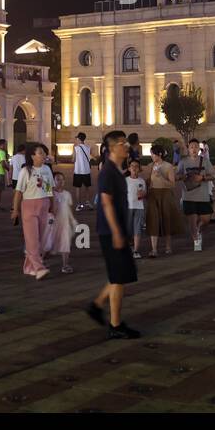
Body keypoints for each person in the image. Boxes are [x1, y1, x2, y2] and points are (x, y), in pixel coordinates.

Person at [85, 130, 140, 340]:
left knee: (120, 275)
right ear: (110, 148)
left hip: (116, 231)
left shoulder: (117, 170)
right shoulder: (108, 171)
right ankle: (115, 325)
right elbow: (106, 203)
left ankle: (96, 306)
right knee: (118, 278)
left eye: (126, 143)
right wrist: (117, 232)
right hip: (110, 232)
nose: (125, 146)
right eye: (121, 143)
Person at [11, 143, 54, 279]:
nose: (43, 155)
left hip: (44, 203)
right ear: (32, 156)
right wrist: (15, 209)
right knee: (32, 238)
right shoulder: (26, 171)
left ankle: (29, 267)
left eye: (44, 153)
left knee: (40, 238)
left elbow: (49, 188)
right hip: (29, 205)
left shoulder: (47, 169)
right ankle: (39, 267)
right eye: (40, 153)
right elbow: (18, 192)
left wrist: (52, 205)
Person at [143, 143, 183, 255]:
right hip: (153, 194)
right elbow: (148, 181)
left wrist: (161, 177)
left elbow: (172, 184)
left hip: (165, 195)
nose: (151, 156)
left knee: (167, 219)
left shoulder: (168, 166)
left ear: (159, 154)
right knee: (153, 220)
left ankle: (168, 246)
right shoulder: (150, 165)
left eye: (153, 154)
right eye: (151, 154)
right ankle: (154, 249)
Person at [177, 138, 215, 250]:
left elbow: (213, 175)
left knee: (206, 220)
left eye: (196, 147)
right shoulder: (183, 162)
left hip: (203, 196)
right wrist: (181, 177)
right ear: (188, 149)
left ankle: (199, 230)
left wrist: (202, 177)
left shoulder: (205, 161)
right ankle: (196, 241)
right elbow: (176, 176)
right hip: (188, 195)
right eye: (191, 147)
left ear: (199, 149)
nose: (194, 149)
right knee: (192, 220)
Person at [44, 170, 77, 273]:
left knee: (65, 243)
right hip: (52, 223)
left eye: (62, 179)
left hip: (64, 222)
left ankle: (65, 265)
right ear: (53, 181)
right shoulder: (50, 194)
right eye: (58, 179)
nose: (60, 181)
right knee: (47, 243)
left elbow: (69, 209)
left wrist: (72, 220)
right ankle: (40, 260)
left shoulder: (67, 194)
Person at [126, 159, 147, 259]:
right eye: (132, 166)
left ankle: (136, 250)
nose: (134, 168)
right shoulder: (125, 180)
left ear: (139, 169)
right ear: (129, 168)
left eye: (136, 166)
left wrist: (143, 194)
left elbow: (145, 193)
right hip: (128, 208)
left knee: (137, 229)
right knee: (128, 229)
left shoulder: (141, 181)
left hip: (139, 207)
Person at [71, 132, 92, 211]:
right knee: (87, 187)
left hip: (78, 171)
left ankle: (79, 205)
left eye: (77, 138)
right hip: (86, 170)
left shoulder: (76, 148)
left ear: (79, 139)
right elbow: (89, 158)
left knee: (78, 188)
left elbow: (73, 159)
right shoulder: (88, 147)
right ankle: (88, 202)